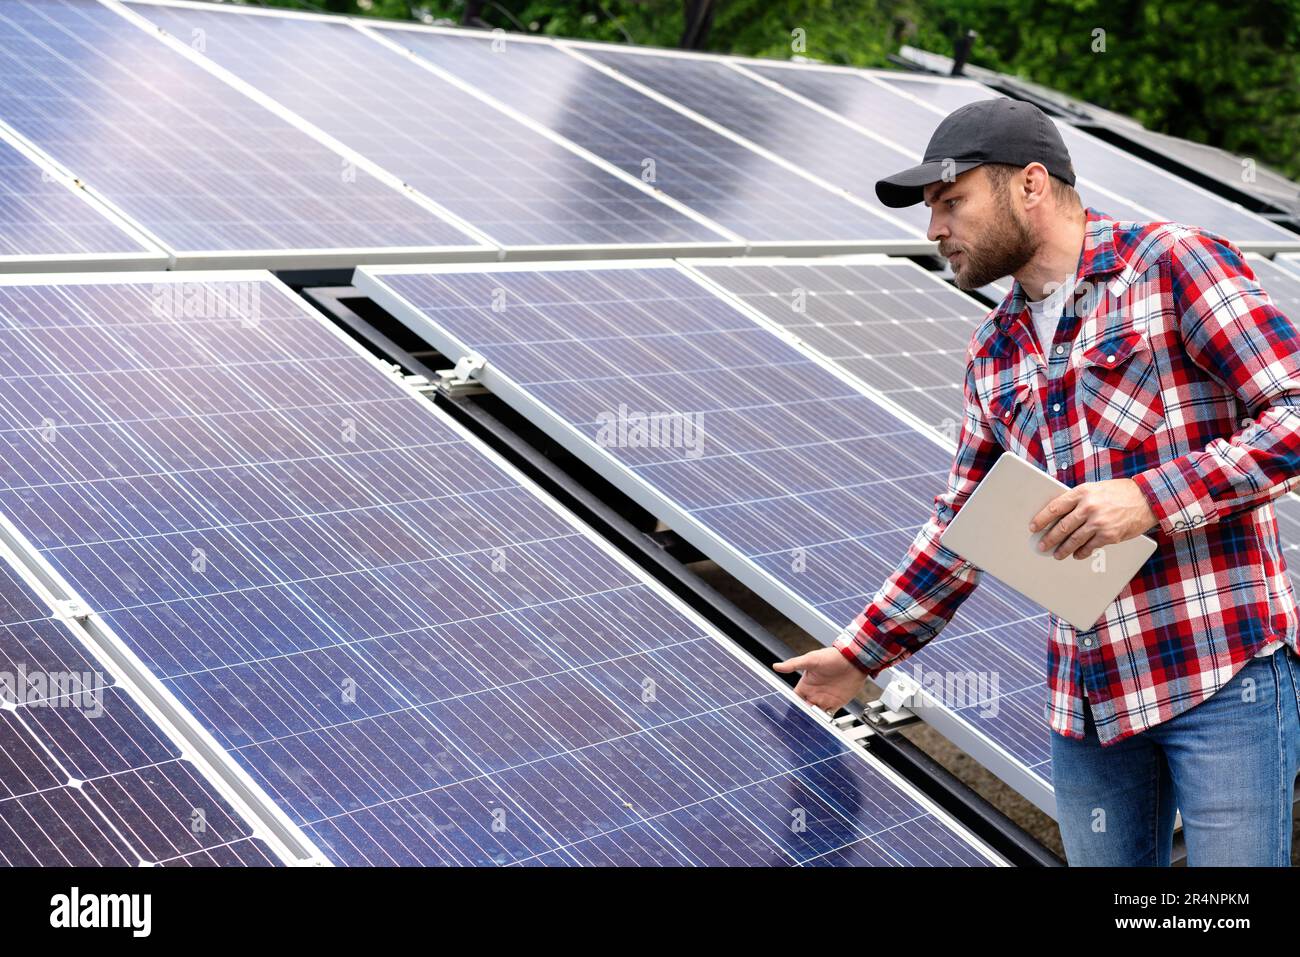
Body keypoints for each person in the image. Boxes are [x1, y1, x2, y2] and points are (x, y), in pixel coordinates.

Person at [774, 97, 1300, 866]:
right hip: (1088, 700)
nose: (934, 230)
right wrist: (862, 653)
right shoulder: (995, 352)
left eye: (951, 202)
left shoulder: (1171, 265)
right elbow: (960, 526)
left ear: (1030, 185)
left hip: (1222, 676)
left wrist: (1152, 497)